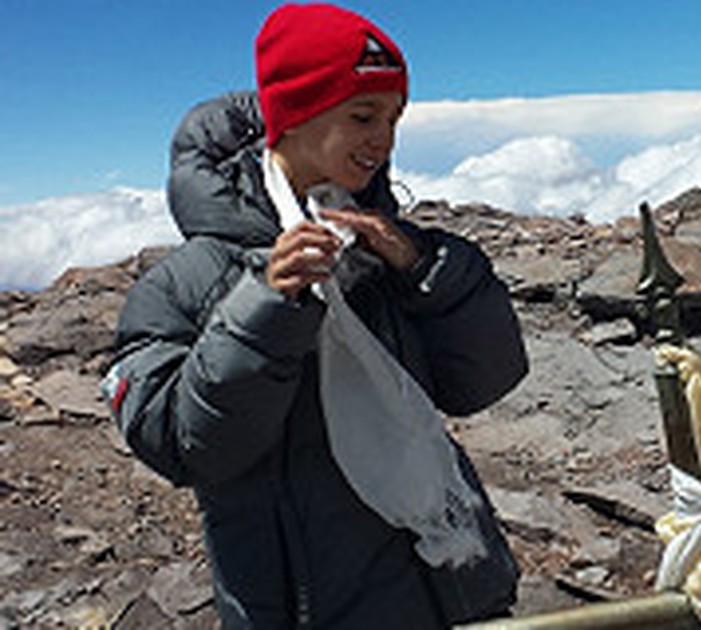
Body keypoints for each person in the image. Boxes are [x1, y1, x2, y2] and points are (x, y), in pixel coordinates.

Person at [102, 3, 528, 627]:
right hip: (303, 608)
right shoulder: (185, 283)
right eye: (363, 115)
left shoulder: (388, 252)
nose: (383, 139)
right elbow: (182, 444)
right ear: (293, 117)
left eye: (393, 118)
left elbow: (482, 382)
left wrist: (427, 270)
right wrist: (268, 307)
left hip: (452, 586)